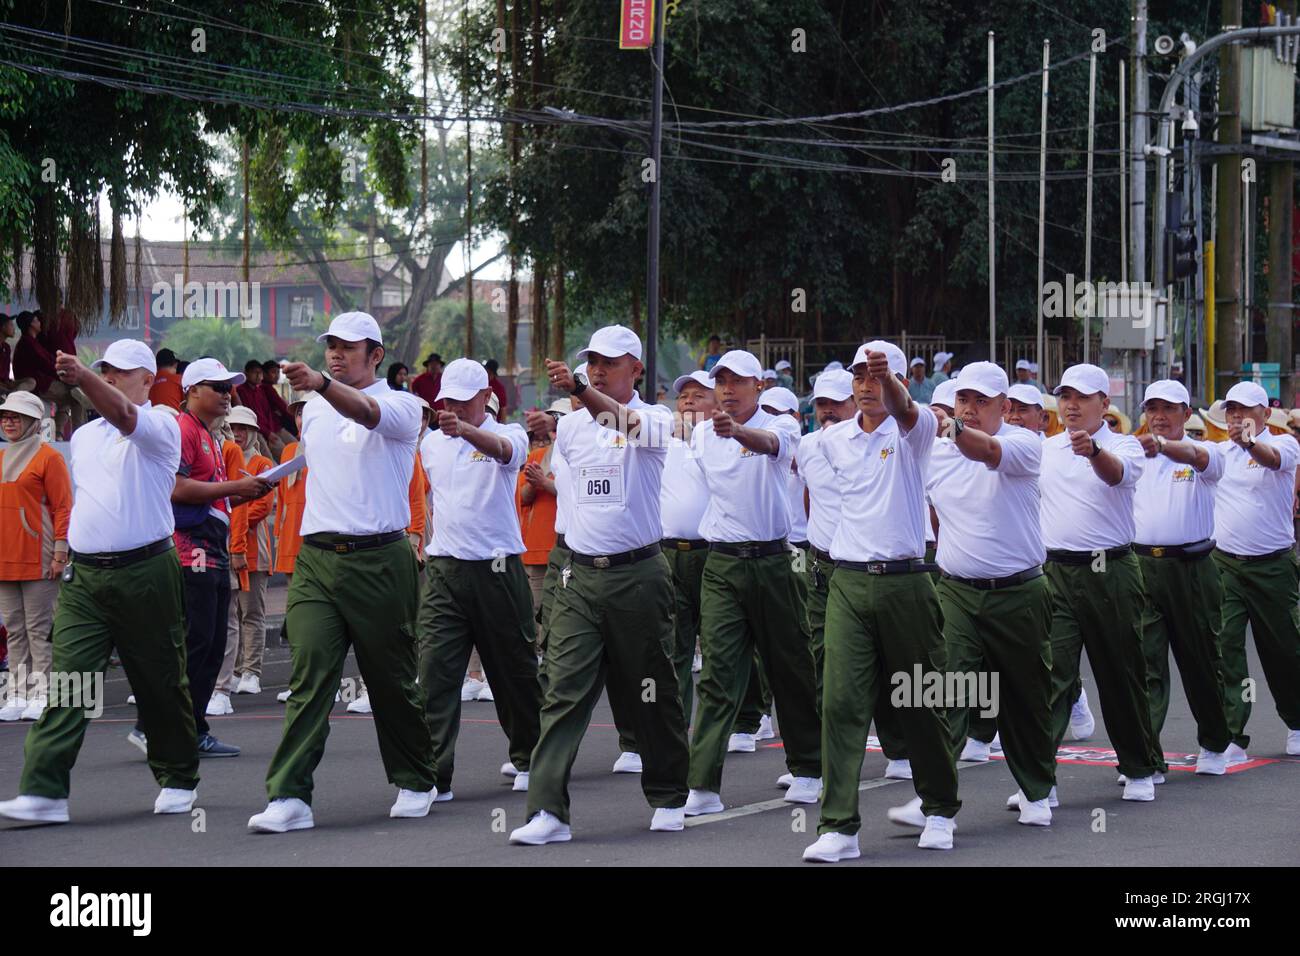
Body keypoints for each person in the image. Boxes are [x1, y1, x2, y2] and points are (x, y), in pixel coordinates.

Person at [249, 312, 437, 832]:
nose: (336, 353)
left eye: (348, 347)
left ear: (375, 355)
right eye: (331, 345)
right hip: (317, 559)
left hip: (381, 558)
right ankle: (289, 795)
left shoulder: (402, 405)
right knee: (310, 676)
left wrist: (323, 383)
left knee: (391, 680)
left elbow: (368, 412)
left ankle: (416, 778)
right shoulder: (313, 411)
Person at [0, 341, 199, 823]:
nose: (108, 377)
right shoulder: (86, 436)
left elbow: (126, 415)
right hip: (86, 576)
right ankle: (45, 790)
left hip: (146, 571)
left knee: (159, 681)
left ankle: (177, 777)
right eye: (105, 370)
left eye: (120, 372)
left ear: (149, 380)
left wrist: (82, 376)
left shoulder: (161, 424)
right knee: (70, 681)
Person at [509, 325, 689, 844]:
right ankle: (547, 811)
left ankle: (669, 791)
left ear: (636, 367)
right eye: (593, 361)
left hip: (639, 575)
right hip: (580, 576)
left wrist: (579, 394)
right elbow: (568, 496)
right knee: (562, 690)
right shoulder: (570, 430)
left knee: (650, 690)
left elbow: (629, 426)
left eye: (610, 362)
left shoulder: (655, 418)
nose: (598, 368)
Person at [801, 342, 958, 863]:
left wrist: (891, 382)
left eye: (876, 376)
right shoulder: (831, 440)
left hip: (906, 581)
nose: (866, 384)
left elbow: (908, 409)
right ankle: (839, 826)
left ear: (896, 380)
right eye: (859, 376)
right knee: (841, 703)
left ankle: (938, 809)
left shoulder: (917, 431)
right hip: (846, 580)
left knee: (920, 701)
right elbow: (790, 465)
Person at [684, 349, 822, 817]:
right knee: (720, 674)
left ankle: (808, 769)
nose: (727, 389)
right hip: (721, 564)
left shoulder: (782, 425)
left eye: (737, 381)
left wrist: (738, 431)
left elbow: (768, 445)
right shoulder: (701, 433)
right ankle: (702, 783)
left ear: (757, 385)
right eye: (720, 381)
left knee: (791, 668)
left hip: (774, 562)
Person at [924, 362, 1057, 827]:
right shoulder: (935, 453)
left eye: (982, 401)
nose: (971, 409)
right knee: (947, 693)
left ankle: (1037, 792)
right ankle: (938, 810)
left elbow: (983, 450)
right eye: (964, 400)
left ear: (1005, 407)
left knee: (1024, 699)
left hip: (1019, 591)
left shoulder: (1023, 443)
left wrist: (951, 427)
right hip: (957, 592)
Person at [417, 358, 542, 800]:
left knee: (514, 671)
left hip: (497, 566)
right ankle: (433, 775)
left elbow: (505, 454)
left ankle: (530, 756)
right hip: (445, 569)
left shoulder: (509, 435)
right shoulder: (431, 444)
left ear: (484, 398)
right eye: (446, 400)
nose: (451, 407)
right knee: (434, 673)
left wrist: (467, 431)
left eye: (462, 400)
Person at [1040, 363, 1160, 803]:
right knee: (1051, 675)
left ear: (1103, 404)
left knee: (1120, 673)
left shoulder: (1124, 445)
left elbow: (1114, 475)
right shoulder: (1045, 448)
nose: (1071, 405)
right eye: (1065, 396)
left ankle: (1138, 767)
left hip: (1109, 570)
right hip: (1055, 572)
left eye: (1081, 397)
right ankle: (1039, 781)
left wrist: (1092, 452)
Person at [147, 357, 269, 758]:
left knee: (212, 643)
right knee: (198, 641)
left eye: (228, 387)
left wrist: (247, 491)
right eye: (217, 387)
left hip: (212, 547)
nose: (227, 393)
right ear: (192, 390)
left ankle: (187, 726)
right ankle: (165, 725)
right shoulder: (183, 430)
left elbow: (213, 496)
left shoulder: (212, 436)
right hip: (191, 548)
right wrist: (235, 486)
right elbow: (177, 489)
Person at [1132, 380, 1233, 776]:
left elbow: (1195, 454)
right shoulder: (1134, 453)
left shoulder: (1207, 452)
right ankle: (1148, 756)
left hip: (1192, 568)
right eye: (1152, 408)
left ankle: (1213, 742)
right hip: (1142, 568)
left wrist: (1164, 447)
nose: (1158, 415)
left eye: (1169, 408)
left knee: (1201, 660)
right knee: (1146, 665)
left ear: (1186, 414)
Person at [1212, 381, 1300, 759]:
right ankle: (1232, 734)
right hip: (1225, 565)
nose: (1237, 417)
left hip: (1273, 566)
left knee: (1284, 649)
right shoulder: (1217, 453)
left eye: (1246, 410)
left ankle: (1297, 721)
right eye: (1232, 410)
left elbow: (1270, 459)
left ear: (1265, 414)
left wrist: (1248, 443)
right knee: (1225, 647)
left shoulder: (1284, 445)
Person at [0, 391, 72, 722]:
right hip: (5, 557)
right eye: (5, 416)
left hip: (39, 556)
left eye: (16, 416)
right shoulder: (1, 457)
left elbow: (63, 508)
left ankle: (43, 692)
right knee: (14, 628)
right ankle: (16, 693)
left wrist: (60, 552)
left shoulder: (49, 458)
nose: (9, 421)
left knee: (40, 629)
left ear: (32, 422)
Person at [792, 368, 856, 707]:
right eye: (821, 404)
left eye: (836, 403)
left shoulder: (868, 443)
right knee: (819, 649)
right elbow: (809, 496)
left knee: (864, 656)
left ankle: (899, 744)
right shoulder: (806, 446)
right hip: (820, 564)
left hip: (858, 567)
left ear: (855, 403)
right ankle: (822, 734)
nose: (827, 410)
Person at [660, 370, 716, 724]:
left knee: (716, 645)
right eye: (683, 397)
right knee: (675, 646)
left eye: (698, 395)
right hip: (668, 553)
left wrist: (697, 438)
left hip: (712, 554)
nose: (688, 401)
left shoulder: (725, 441)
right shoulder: (662, 439)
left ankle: (731, 722)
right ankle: (677, 724)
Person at [221, 405, 277, 700]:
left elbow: (262, 505)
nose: (238, 433)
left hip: (255, 550)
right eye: (234, 428)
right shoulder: (222, 459)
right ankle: (233, 671)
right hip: (225, 548)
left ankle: (251, 671)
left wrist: (229, 516)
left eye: (244, 428)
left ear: (254, 432)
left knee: (252, 613)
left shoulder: (261, 464)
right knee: (231, 615)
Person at [517, 399, 567, 644]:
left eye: (560, 419)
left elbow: (574, 492)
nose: (554, 429)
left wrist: (545, 483)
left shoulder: (581, 455)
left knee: (567, 613)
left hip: (571, 550)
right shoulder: (537, 455)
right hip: (537, 549)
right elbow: (523, 498)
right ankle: (542, 661)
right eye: (553, 420)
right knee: (538, 611)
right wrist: (537, 481)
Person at [0, 313, 36, 399]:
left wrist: (7, 382)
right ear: (2, 327)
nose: (13, 328)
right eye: (11, 325)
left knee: (31, 381)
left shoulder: (6, 347)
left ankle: (11, 395)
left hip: (6, 383)